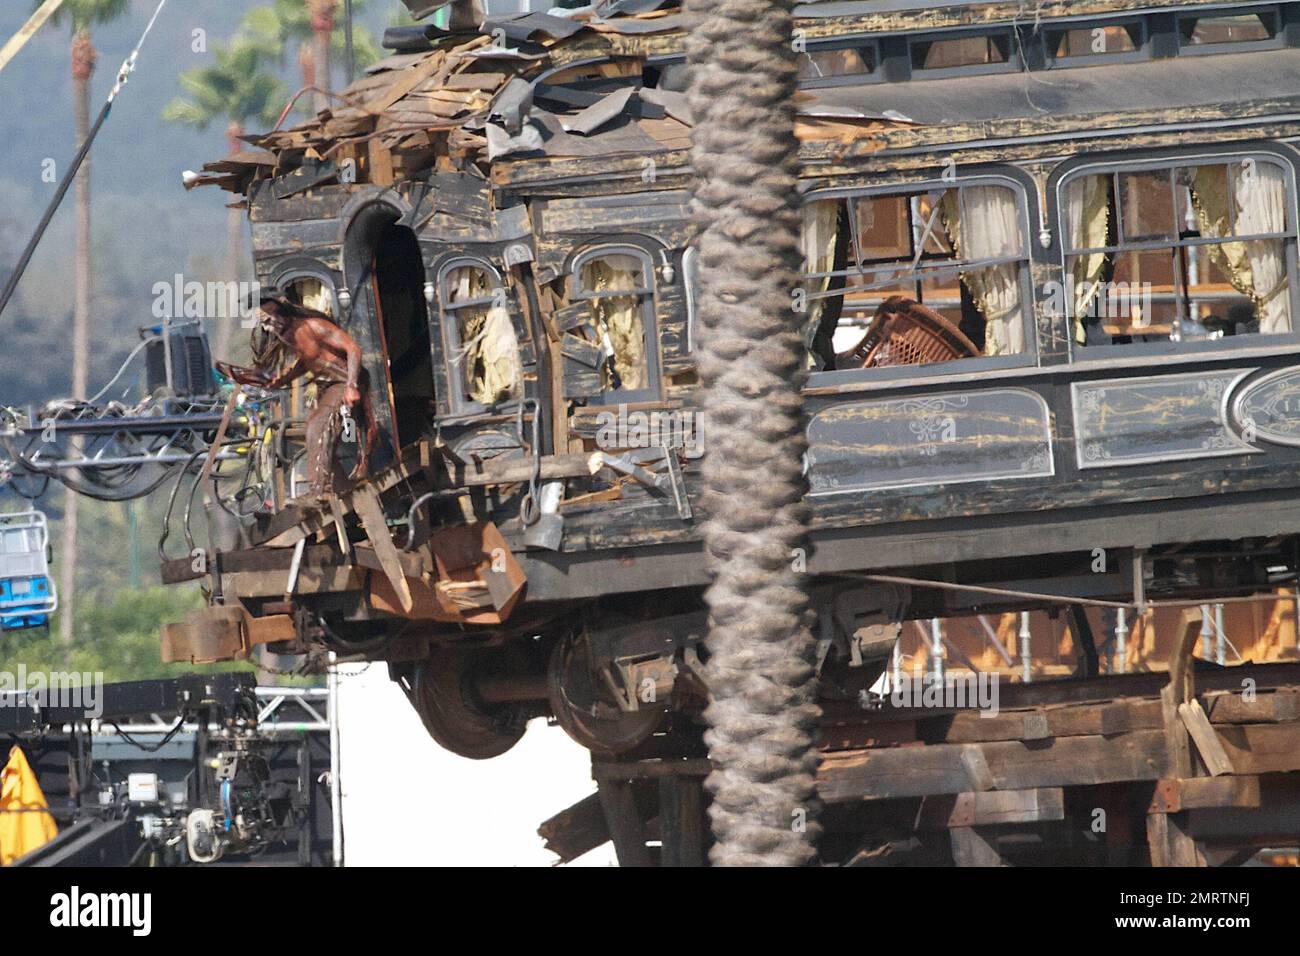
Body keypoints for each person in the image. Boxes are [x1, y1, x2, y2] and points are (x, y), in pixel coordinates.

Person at [218, 294, 377, 499]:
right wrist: (283, 380)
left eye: (268, 322)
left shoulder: (313, 327)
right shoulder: (288, 336)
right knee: (314, 431)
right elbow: (306, 361)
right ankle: (341, 489)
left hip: (343, 380)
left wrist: (351, 386)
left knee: (318, 427)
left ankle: (320, 491)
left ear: (280, 314)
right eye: (263, 325)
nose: (268, 329)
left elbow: (353, 348)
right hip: (326, 385)